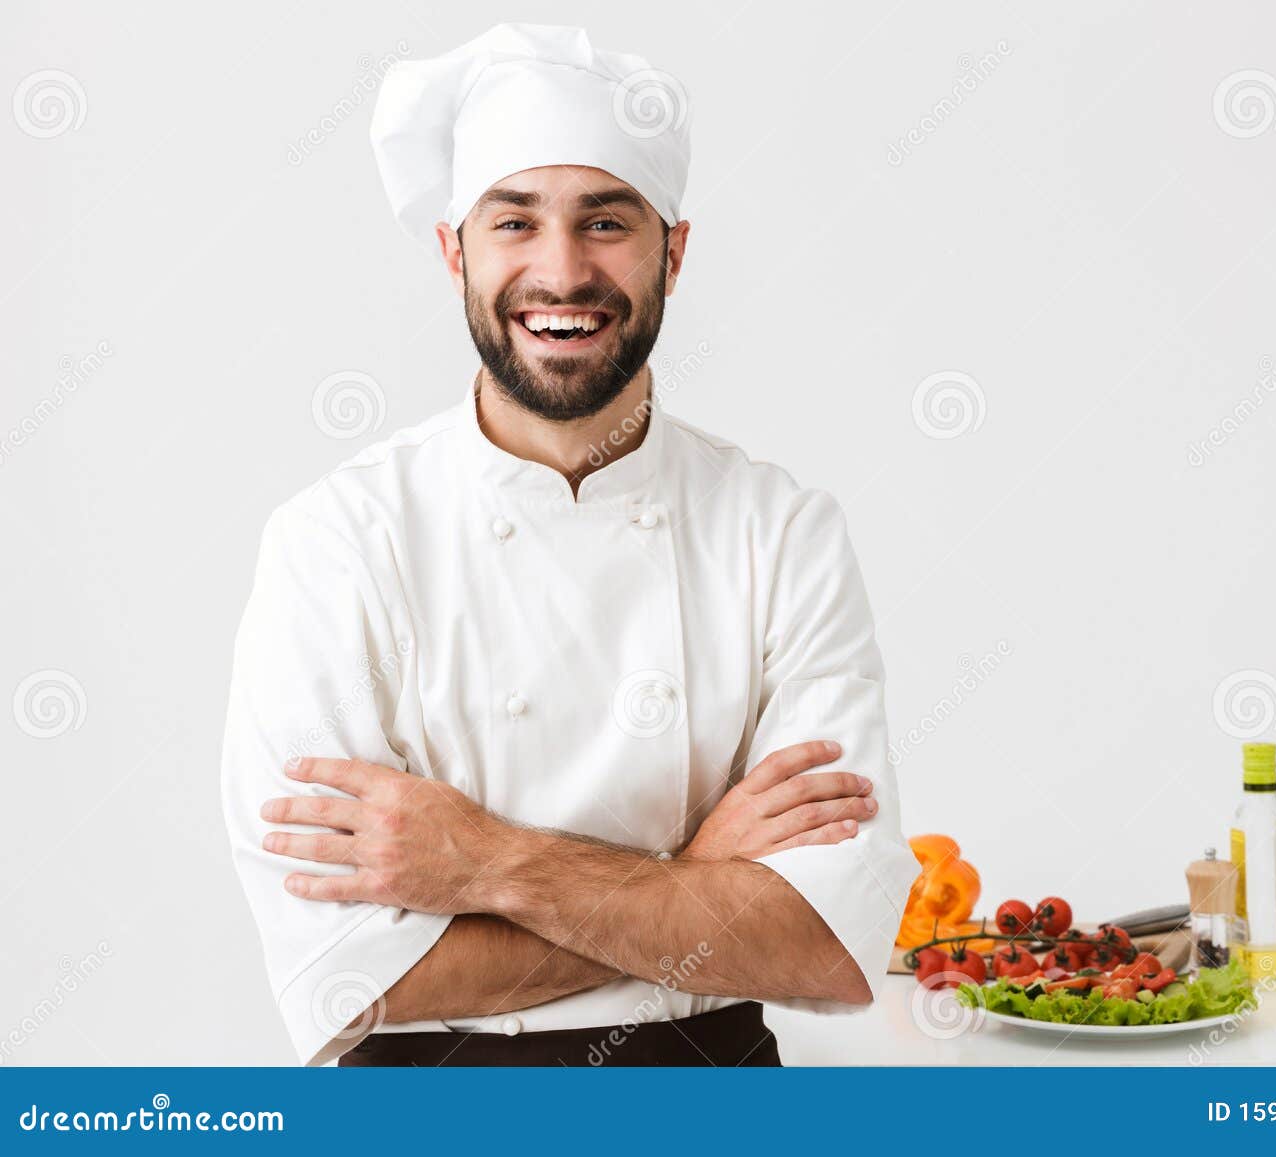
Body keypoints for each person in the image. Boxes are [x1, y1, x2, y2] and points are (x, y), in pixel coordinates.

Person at [219, 23, 919, 1067]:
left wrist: (483, 861)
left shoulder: (781, 531)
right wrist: (695, 876)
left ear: (672, 254)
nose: (561, 270)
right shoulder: (336, 543)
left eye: (605, 222)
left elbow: (829, 946)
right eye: (514, 222)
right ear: (455, 251)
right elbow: (344, 975)